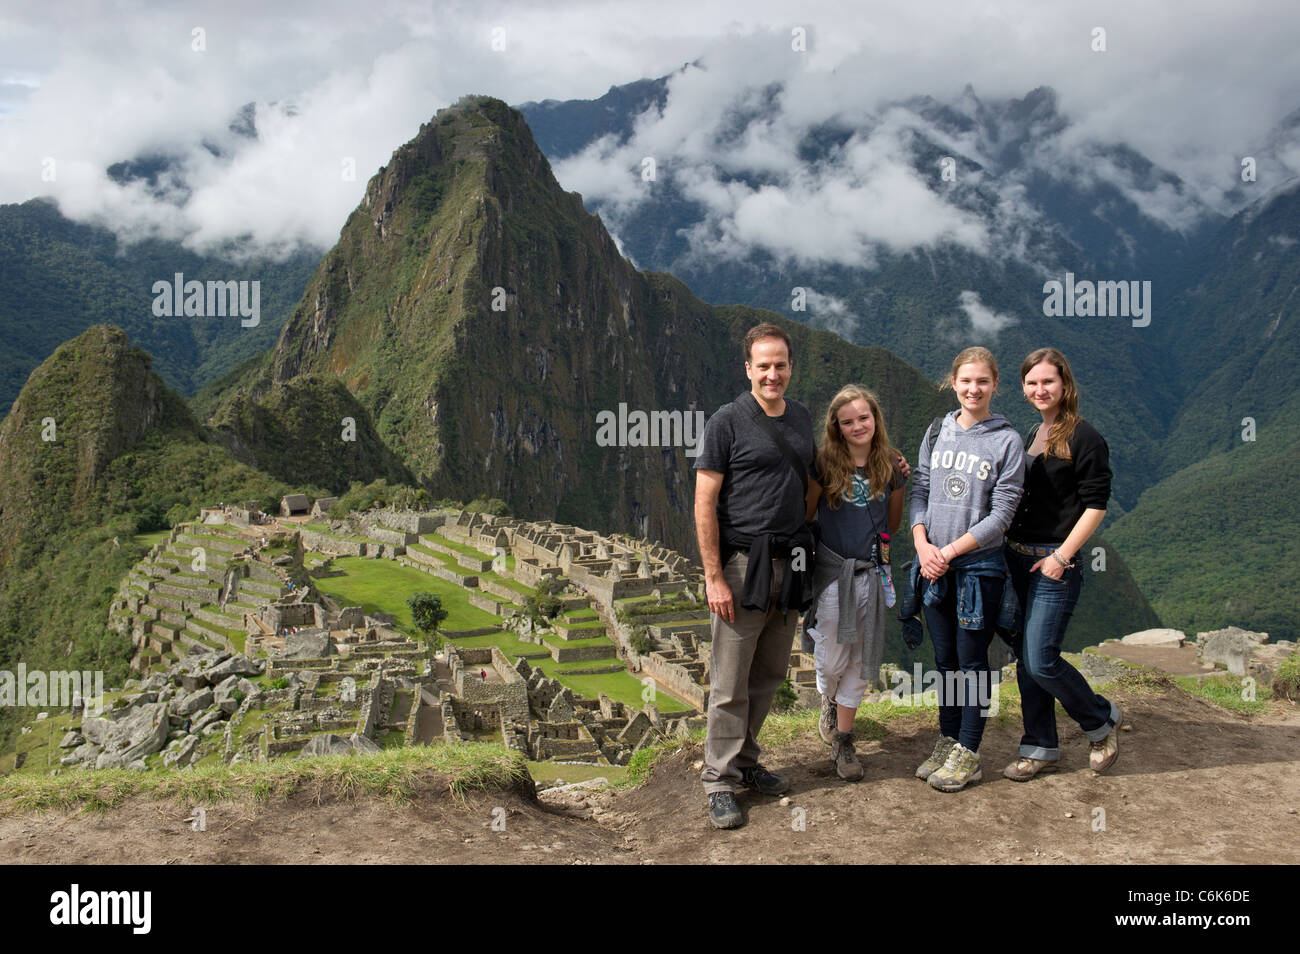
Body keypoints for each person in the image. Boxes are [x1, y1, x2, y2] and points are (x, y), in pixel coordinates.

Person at [694, 322, 815, 829]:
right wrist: (714, 576)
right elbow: (704, 501)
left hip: (791, 563)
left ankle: (745, 762)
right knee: (730, 680)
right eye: (763, 365)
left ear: (790, 367)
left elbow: (813, 482)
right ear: (748, 368)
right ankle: (718, 779)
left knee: (768, 674)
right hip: (744, 564)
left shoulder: (801, 418)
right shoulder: (727, 422)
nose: (772, 374)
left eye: (780, 365)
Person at [1003, 347, 1123, 780]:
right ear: (1023, 388)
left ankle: (1100, 720)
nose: (1040, 389)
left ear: (1065, 384)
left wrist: (1061, 556)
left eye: (1048, 382)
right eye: (1032, 383)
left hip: (1055, 564)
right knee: (1025, 659)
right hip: (1017, 559)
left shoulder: (1084, 437)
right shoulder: (1033, 432)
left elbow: (1096, 505)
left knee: (1041, 659)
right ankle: (1039, 746)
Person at [910, 346, 1025, 792]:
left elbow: (1002, 514)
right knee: (946, 662)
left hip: (978, 568)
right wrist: (922, 544)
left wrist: (949, 551)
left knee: (973, 662)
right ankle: (948, 738)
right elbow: (920, 489)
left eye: (982, 381)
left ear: (995, 384)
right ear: (953, 383)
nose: (973, 389)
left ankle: (970, 750)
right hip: (934, 566)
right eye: (966, 381)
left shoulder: (1006, 441)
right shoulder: (937, 430)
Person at [804, 386, 907, 781]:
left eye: (864, 418)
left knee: (863, 661)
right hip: (835, 574)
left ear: (875, 419)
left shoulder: (891, 467)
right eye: (847, 421)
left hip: (873, 573)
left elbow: (892, 523)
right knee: (831, 660)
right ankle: (828, 698)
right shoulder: (824, 466)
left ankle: (843, 740)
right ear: (837, 427)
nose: (857, 426)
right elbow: (808, 514)